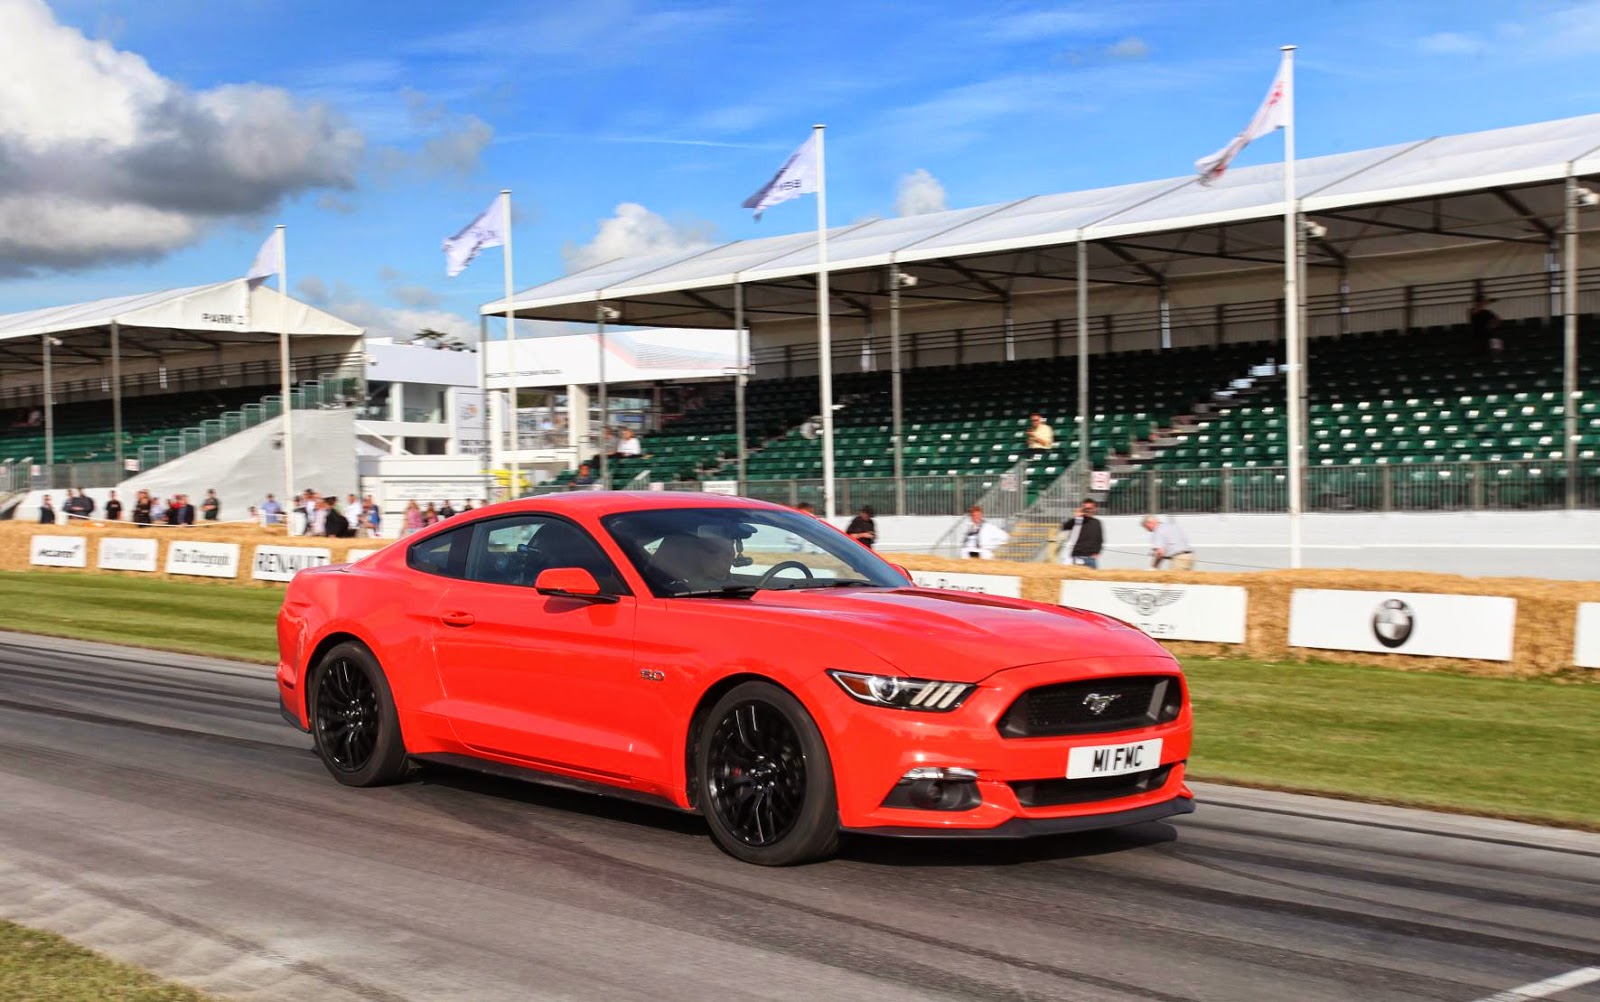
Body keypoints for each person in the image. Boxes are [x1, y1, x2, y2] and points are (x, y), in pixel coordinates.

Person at [1058, 499, 1104, 569]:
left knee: (1093, 576)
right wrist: (1075, 517)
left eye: (1090, 508)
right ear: (1082, 508)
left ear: (1094, 509)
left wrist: (1097, 553)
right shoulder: (1078, 520)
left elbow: (1100, 539)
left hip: (1091, 559)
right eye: (1086, 508)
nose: (1088, 510)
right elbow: (1065, 527)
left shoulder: (1097, 522)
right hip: (1077, 557)